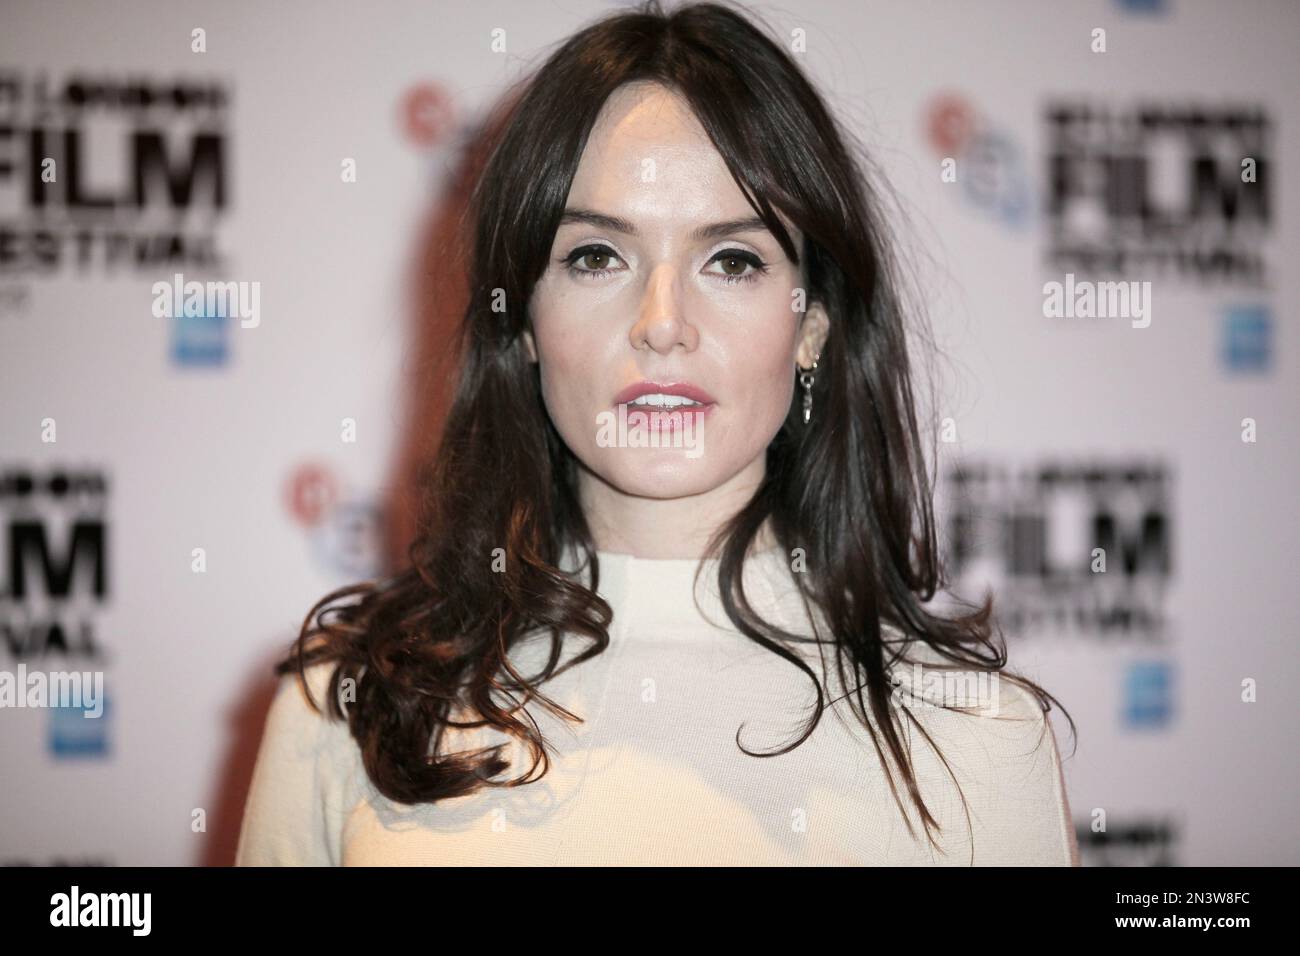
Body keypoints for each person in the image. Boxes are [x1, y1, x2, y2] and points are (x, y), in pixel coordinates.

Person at [236, 0, 1079, 866]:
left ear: (813, 325)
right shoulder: (354, 708)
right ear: (521, 316)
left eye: (733, 260)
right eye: (597, 256)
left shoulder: (980, 741)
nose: (662, 324)